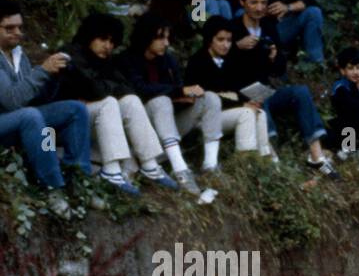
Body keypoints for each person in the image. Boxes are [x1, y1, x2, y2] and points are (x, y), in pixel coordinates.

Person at [56, 12, 180, 194]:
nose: (108, 46)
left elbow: (128, 88)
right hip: (64, 124)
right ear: (90, 36)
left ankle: (149, 164)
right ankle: (111, 171)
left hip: (88, 118)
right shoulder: (71, 54)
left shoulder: (105, 60)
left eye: (112, 42)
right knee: (109, 103)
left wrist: (103, 87)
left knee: (130, 101)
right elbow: (93, 87)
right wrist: (105, 88)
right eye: (103, 39)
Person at [230, 0, 337, 177]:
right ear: (242, 2)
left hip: (266, 87)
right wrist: (237, 46)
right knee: (259, 94)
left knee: (301, 92)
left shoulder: (269, 26)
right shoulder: (232, 29)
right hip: (240, 90)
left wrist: (274, 56)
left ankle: (317, 156)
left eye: (263, 2)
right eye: (253, 2)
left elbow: (279, 69)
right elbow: (218, 64)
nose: (259, 7)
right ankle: (270, 156)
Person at [0, 0, 93, 194]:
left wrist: (53, 77)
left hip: (19, 120)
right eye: (9, 28)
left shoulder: (18, 55)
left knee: (74, 110)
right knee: (32, 116)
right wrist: (42, 71)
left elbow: (35, 99)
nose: (18, 33)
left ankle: (79, 178)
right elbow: (10, 101)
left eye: (20, 27)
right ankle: (53, 184)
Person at [122, 12, 218, 193]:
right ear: (146, 36)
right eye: (160, 38)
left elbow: (176, 88)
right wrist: (178, 92)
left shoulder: (167, 59)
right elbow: (139, 89)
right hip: (142, 129)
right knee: (160, 102)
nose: (166, 43)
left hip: (167, 126)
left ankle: (210, 165)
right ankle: (180, 169)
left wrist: (184, 97)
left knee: (210, 98)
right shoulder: (126, 59)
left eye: (167, 37)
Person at [184, 16, 274, 162]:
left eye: (229, 40)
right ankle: (246, 159)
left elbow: (235, 90)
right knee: (246, 112)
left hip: (226, 112)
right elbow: (207, 96)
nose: (226, 45)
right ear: (209, 39)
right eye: (220, 40)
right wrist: (239, 102)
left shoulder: (229, 60)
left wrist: (248, 100)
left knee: (259, 112)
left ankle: (264, 158)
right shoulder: (198, 62)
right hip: (203, 118)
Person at [223, 0, 324, 65]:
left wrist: (287, 7)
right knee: (240, 13)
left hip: (275, 33)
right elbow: (228, 9)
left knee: (313, 12)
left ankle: (316, 63)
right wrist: (260, 11)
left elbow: (309, 0)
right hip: (245, 36)